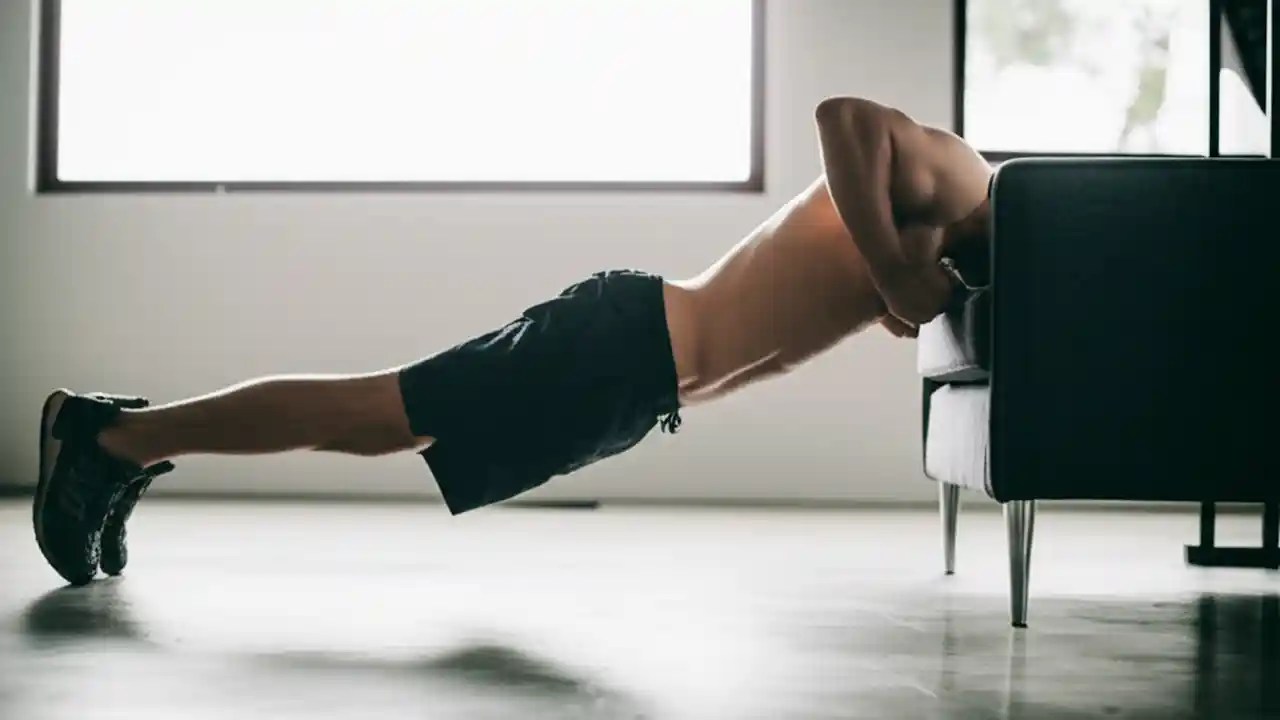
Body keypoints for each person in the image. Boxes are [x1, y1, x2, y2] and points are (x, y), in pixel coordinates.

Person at [33, 97, 995, 586]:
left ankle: (124, 440)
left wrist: (893, 287)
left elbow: (834, 272)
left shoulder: (948, 246)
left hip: (629, 378)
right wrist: (897, 272)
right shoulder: (971, 183)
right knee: (378, 411)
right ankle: (111, 439)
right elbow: (846, 117)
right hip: (623, 343)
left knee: (380, 423)